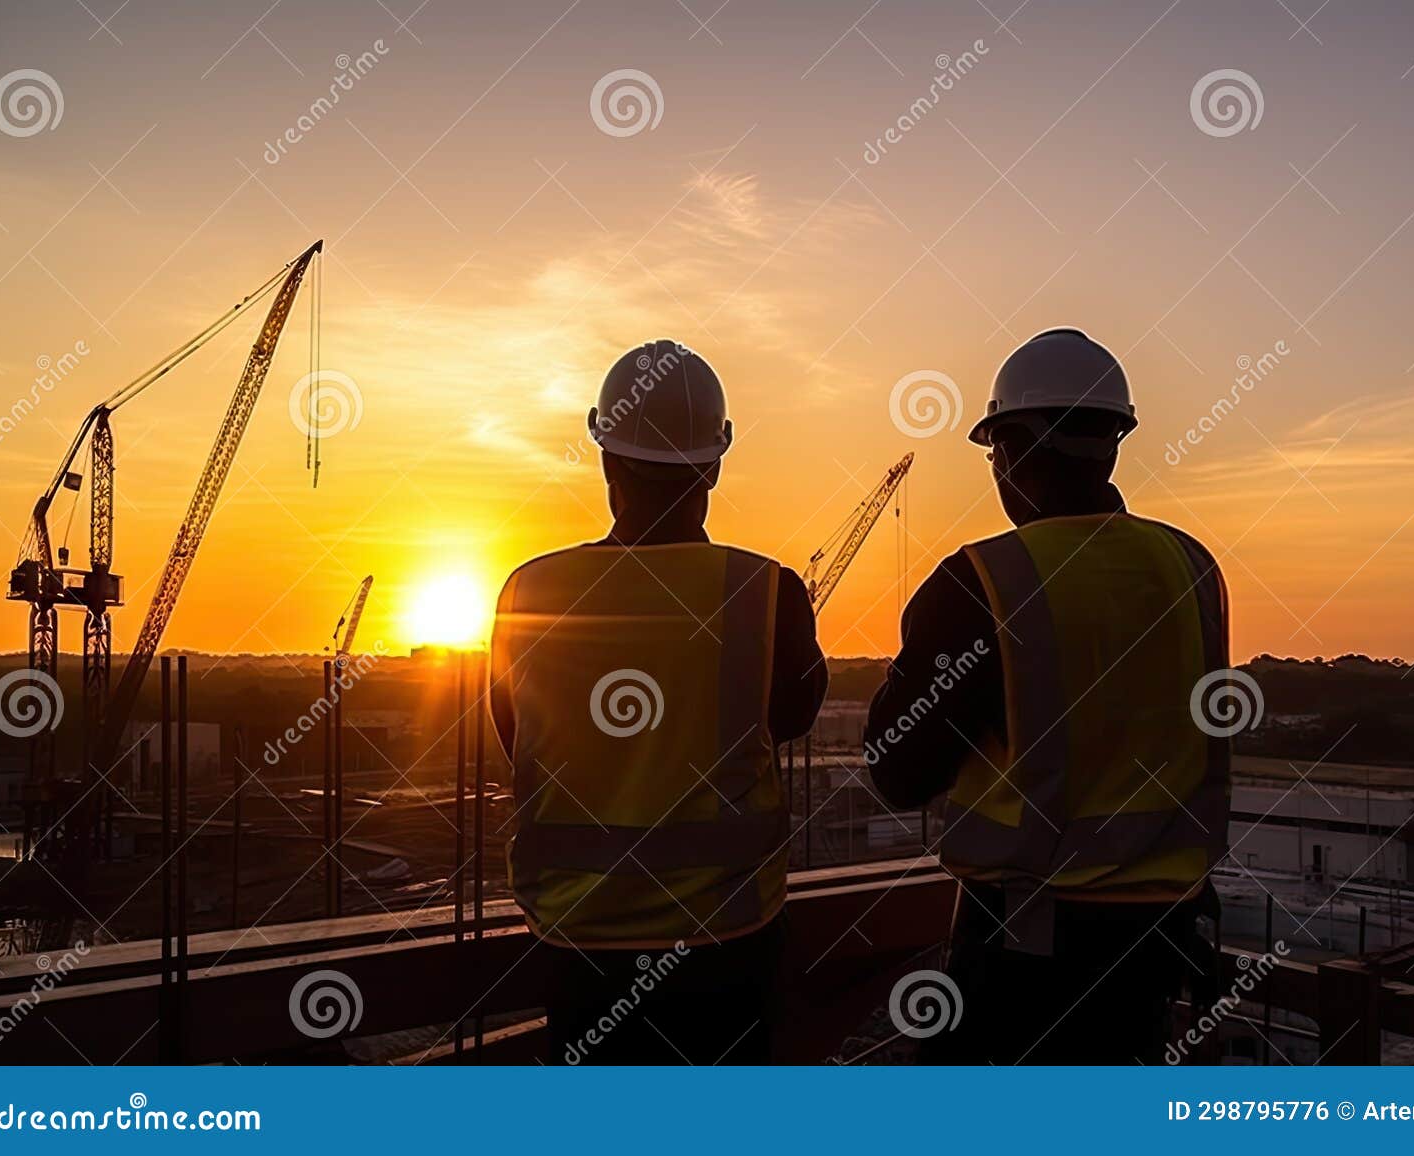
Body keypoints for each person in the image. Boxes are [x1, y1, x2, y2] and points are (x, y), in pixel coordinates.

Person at [864, 328, 1230, 1064]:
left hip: (1024, 963)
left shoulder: (985, 583)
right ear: (1112, 443)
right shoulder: (1190, 567)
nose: (996, 471)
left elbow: (896, 771)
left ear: (1022, 448)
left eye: (995, 451)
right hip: (1154, 959)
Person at [491, 339, 827, 1065]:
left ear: (608, 460)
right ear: (714, 465)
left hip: (578, 948)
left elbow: (516, 740)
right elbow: (791, 721)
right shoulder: (766, 595)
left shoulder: (530, 596)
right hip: (726, 947)